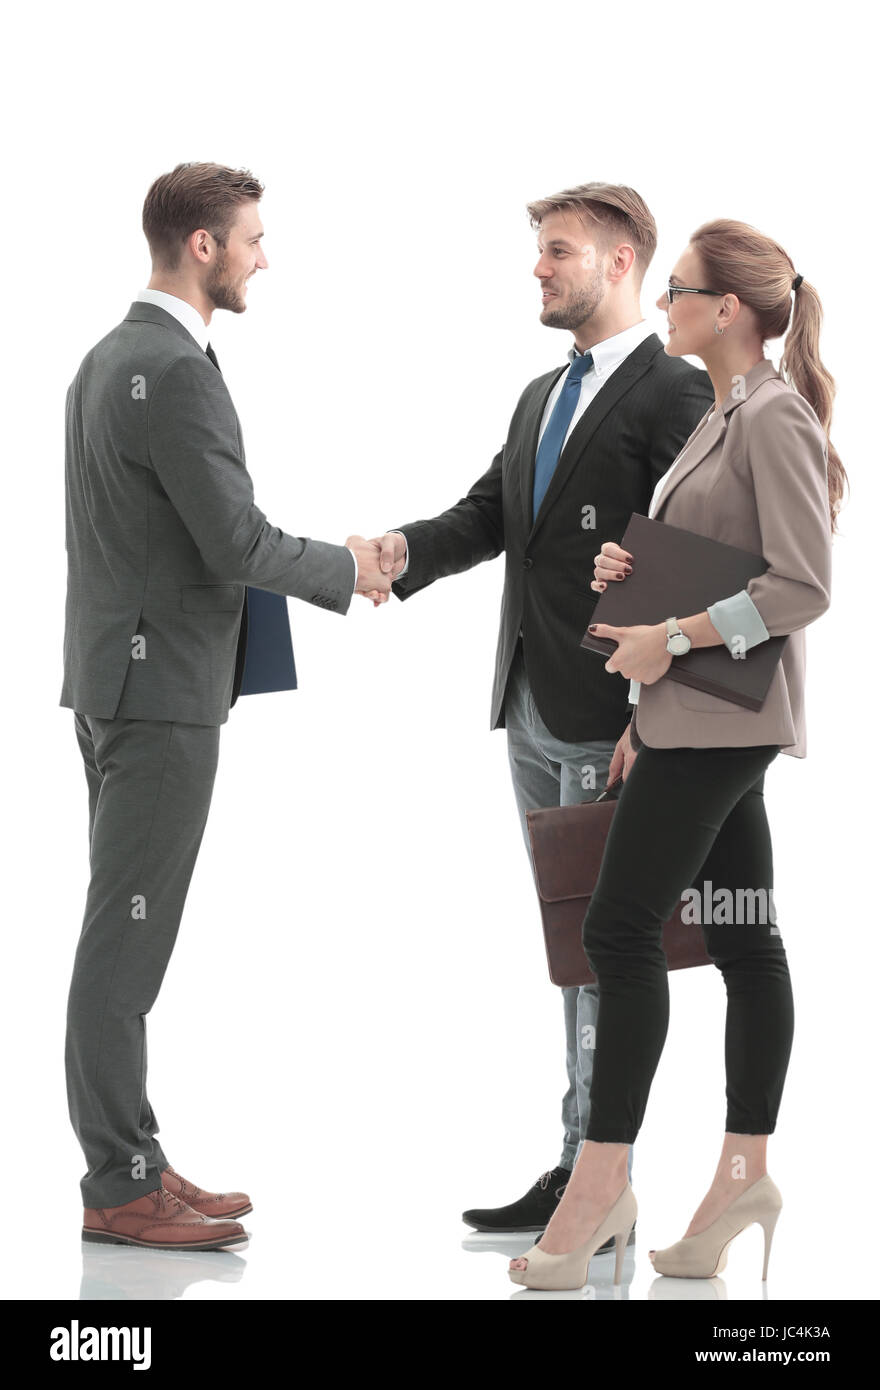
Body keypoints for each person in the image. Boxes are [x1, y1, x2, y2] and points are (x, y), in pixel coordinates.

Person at [349, 183, 713, 1233]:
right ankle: (580, 1168)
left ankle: (598, 1180)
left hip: (613, 717)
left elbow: (694, 556)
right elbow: (488, 517)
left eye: (556, 252)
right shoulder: (537, 398)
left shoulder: (671, 393)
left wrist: (657, 711)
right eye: (539, 254)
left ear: (620, 260)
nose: (539, 270)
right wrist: (393, 556)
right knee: (574, 950)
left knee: (612, 947)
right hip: (530, 706)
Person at [509, 219, 844, 1289]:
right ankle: (742, 1176)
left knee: (617, 926)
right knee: (745, 935)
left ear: (728, 310)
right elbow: (716, 553)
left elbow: (802, 585)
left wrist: (677, 636)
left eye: (680, 292)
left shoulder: (774, 416)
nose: (663, 307)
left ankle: (599, 1183)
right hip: (686, 717)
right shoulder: (724, 413)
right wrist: (632, 564)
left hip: (722, 718)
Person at [61, 162, 390, 1249]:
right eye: (252, 236)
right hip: (158, 698)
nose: (262, 254)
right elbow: (235, 541)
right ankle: (118, 1180)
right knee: (127, 938)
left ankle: (137, 1158)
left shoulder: (108, 359)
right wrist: (349, 565)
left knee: (128, 926)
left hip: (120, 681)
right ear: (201, 245)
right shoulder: (171, 367)